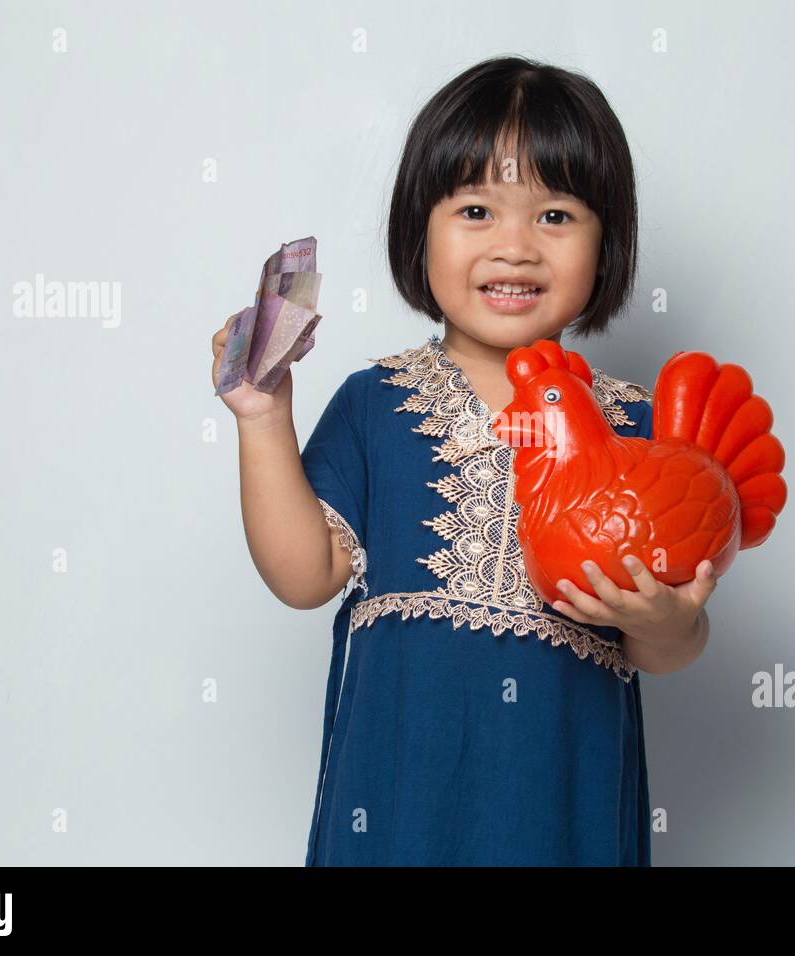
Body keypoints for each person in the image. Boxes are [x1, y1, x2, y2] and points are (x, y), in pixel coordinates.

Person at [210, 55, 720, 866]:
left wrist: (664, 621)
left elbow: (670, 646)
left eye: (555, 216)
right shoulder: (377, 403)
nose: (515, 247)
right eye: (477, 209)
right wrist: (264, 417)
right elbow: (304, 577)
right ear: (421, 229)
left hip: (563, 811)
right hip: (398, 804)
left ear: (607, 242)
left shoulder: (640, 430)